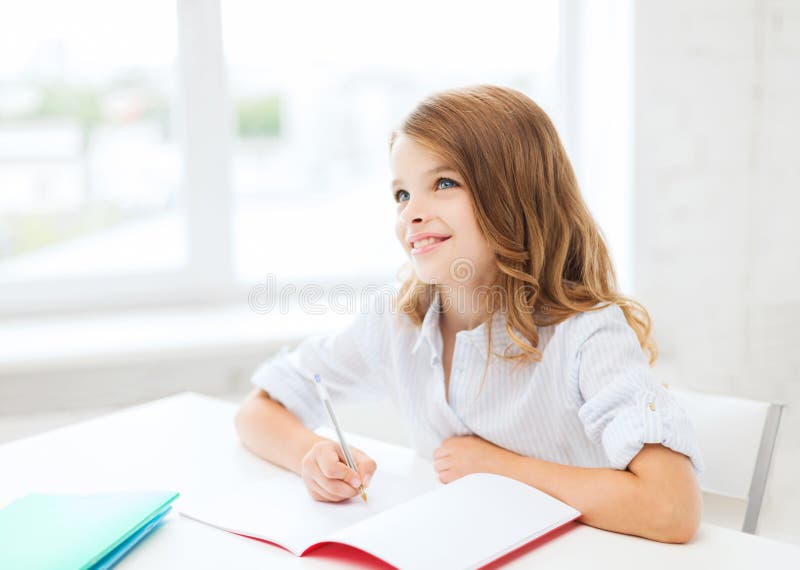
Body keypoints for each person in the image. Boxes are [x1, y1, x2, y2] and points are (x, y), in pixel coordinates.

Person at [235, 85, 703, 543]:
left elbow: (672, 507)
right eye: (401, 194)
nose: (411, 214)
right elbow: (257, 410)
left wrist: (502, 470)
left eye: (443, 184)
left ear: (516, 196)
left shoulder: (585, 333)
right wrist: (310, 454)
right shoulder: (396, 322)